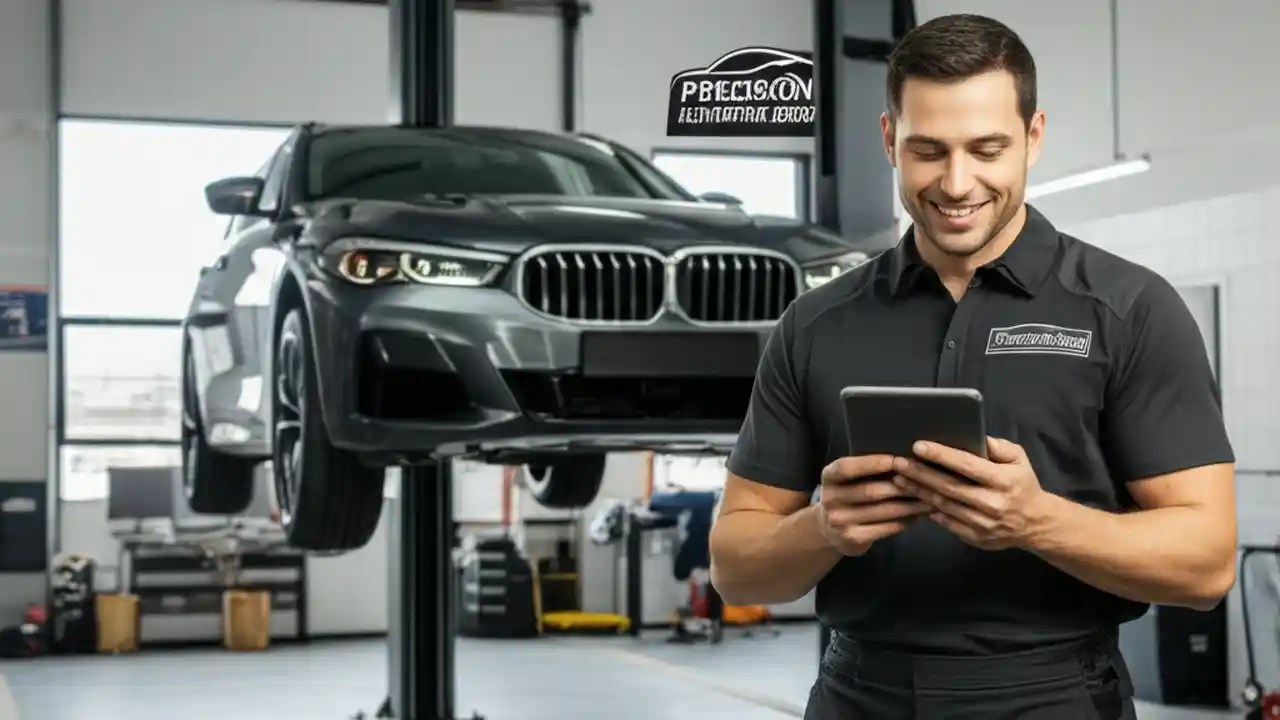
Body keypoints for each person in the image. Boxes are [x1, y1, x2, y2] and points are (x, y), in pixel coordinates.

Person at [708, 12, 1237, 720]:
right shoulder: (814, 324)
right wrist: (821, 527)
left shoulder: (1129, 310)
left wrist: (1034, 520)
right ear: (890, 139)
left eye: (987, 149)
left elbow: (1207, 565)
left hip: (1055, 695)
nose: (958, 184)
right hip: (856, 693)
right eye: (929, 150)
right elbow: (735, 566)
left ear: (1034, 137)